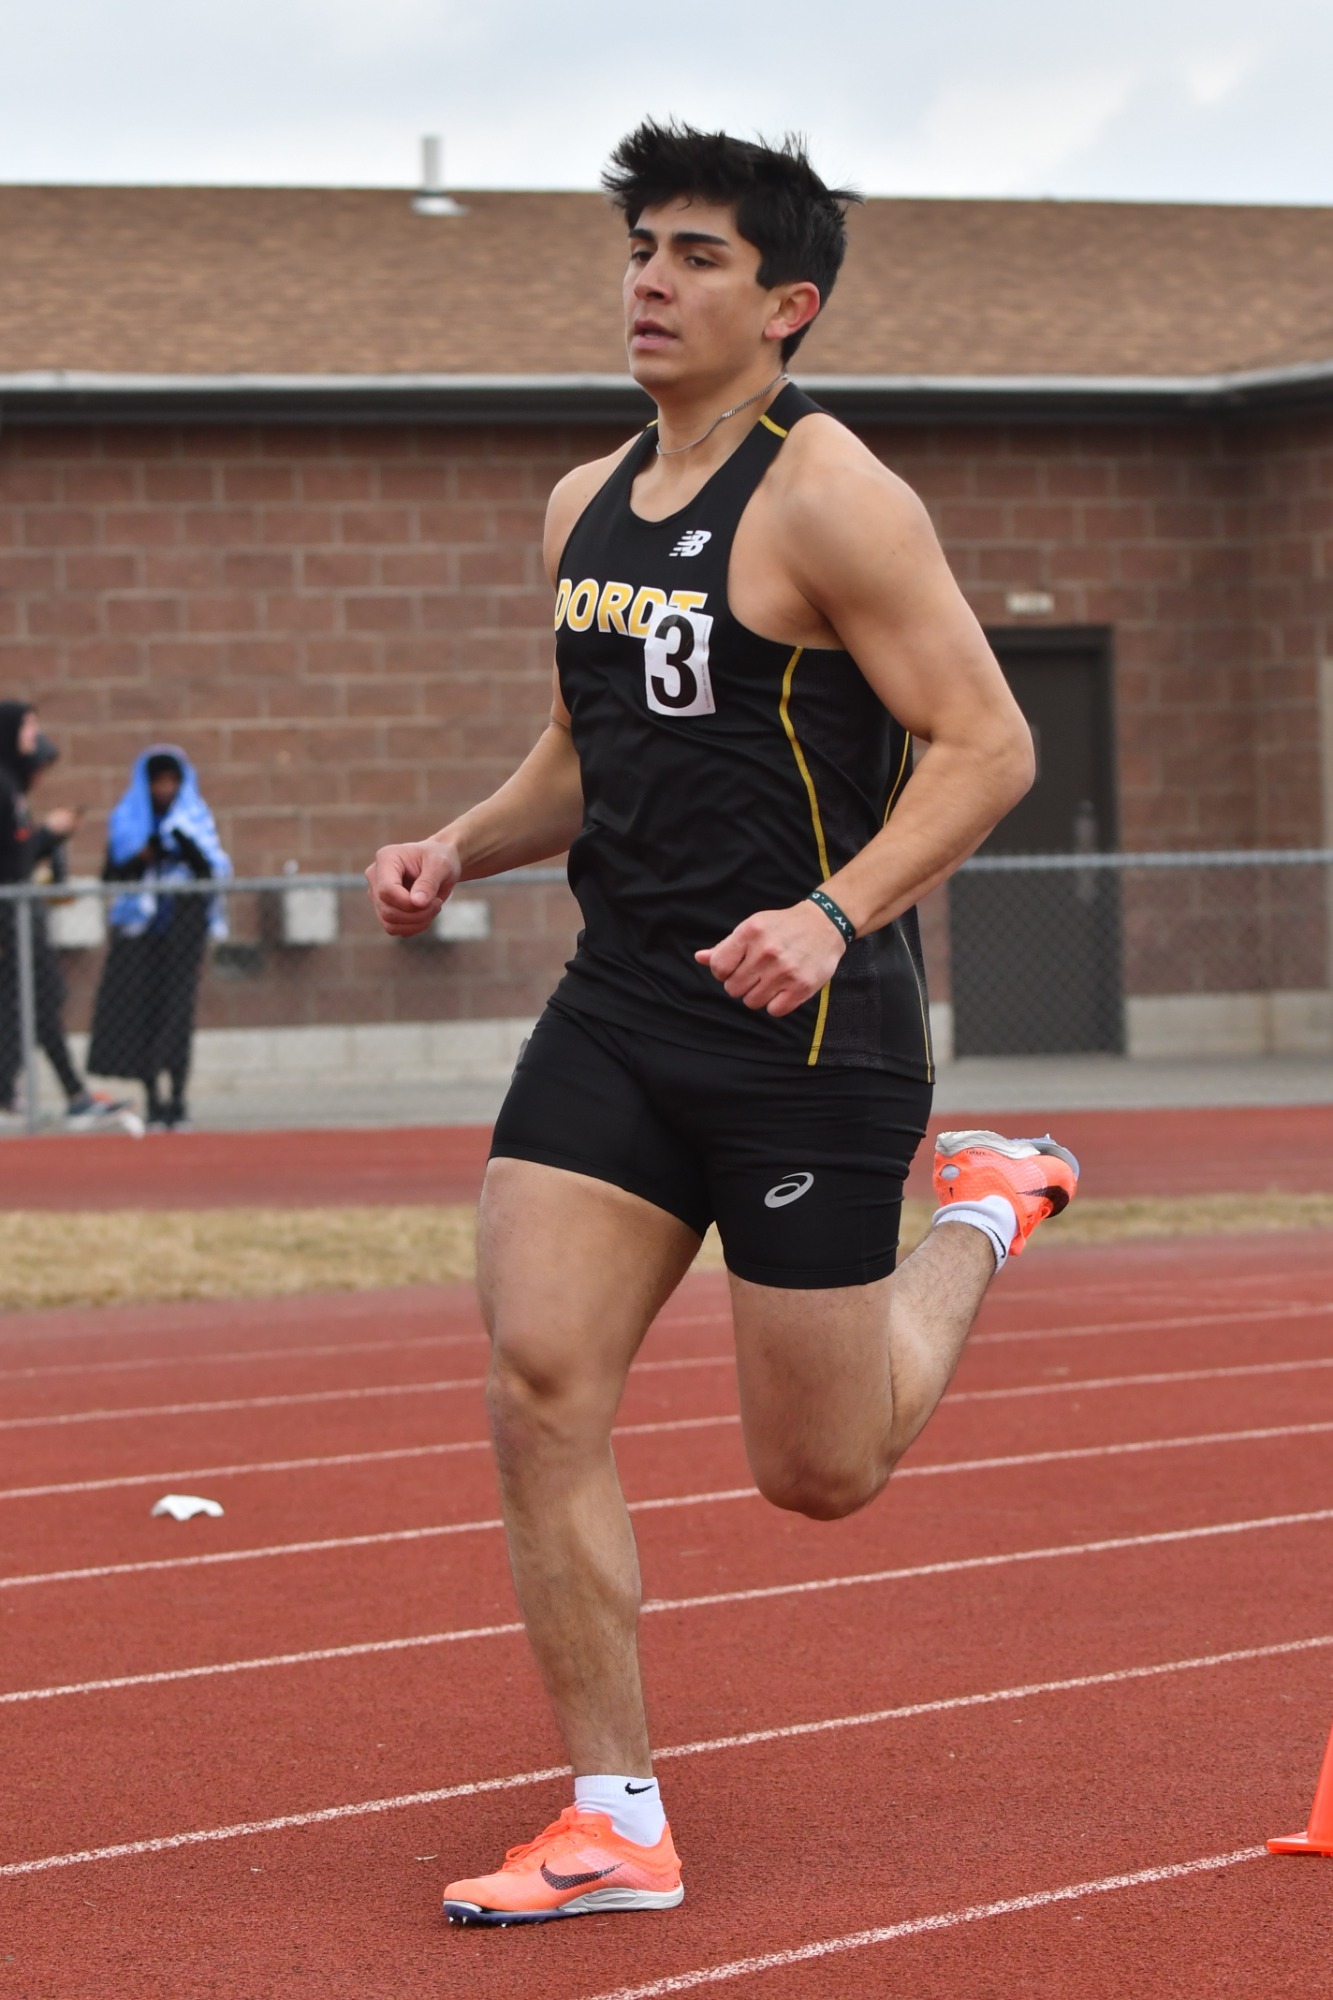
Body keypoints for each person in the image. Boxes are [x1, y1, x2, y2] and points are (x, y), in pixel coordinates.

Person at [366, 121, 1079, 1927]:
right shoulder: (579, 503)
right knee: (537, 1387)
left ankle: (985, 1207)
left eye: (691, 257)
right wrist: (459, 842)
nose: (647, 284)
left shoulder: (833, 495)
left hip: (808, 1035)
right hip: (619, 1011)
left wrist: (834, 915)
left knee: (816, 1475)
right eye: (638, 250)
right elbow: (578, 751)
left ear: (786, 306)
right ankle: (612, 1818)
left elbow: (990, 746)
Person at [0, 700, 138, 1133]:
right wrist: (46, 834)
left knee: (41, 1002)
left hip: (21, 917)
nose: (33, 735)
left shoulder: (12, 788)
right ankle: (39, 1092)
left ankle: (64, 1093)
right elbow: (13, 861)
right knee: (30, 1001)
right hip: (10, 919)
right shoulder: (3, 788)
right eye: (28, 726)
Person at [87, 745, 230, 1131]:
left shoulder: (195, 818)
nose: (165, 789)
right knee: (144, 1013)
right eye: (158, 782)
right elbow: (111, 876)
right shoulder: (129, 820)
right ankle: (153, 1098)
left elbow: (211, 871)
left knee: (178, 1014)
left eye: (171, 781)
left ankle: (178, 1097)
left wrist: (183, 847)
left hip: (183, 930)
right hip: (140, 933)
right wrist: (143, 857)